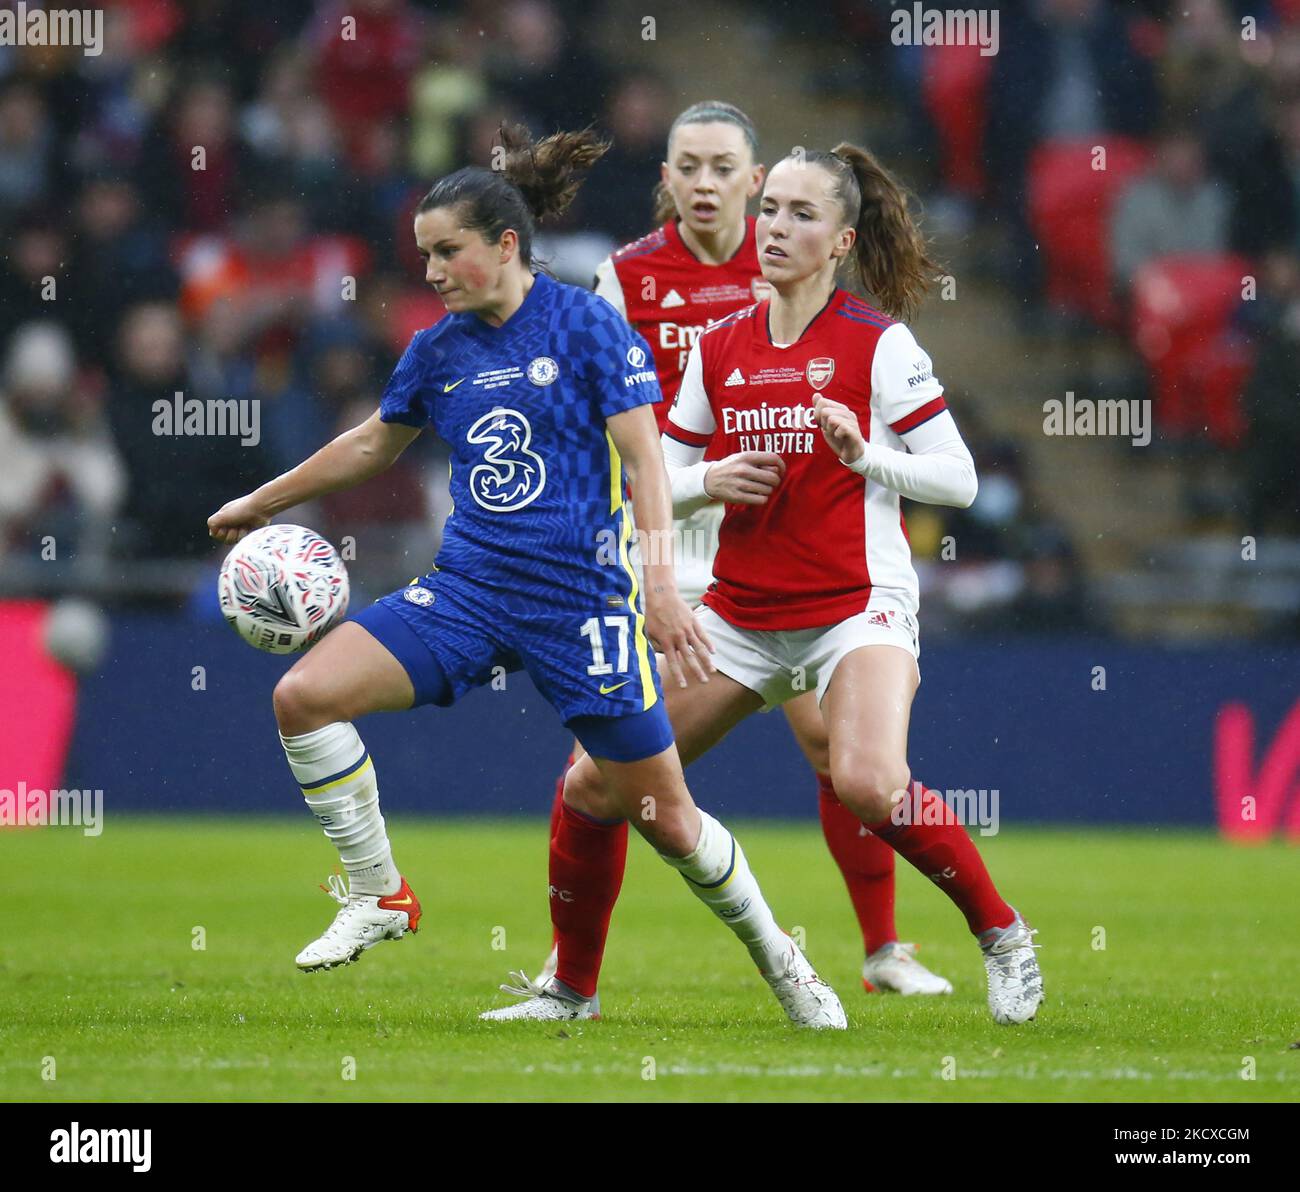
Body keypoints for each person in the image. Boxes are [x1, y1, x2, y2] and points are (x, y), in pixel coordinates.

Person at [206, 124, 845, 1029]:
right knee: (304, 696)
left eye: (446, 252)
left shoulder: (587, 326)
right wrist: (264, 501)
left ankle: (784, 963)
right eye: (423, 254)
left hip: (583, 604)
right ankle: (379, 892)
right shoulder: (437, 349)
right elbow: (369, 445)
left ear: (504, 245)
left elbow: (646, 465)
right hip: (465, 592)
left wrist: (660, 587)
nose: (430, 272)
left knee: (665, 818)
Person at [493, 140, 1044, 1026]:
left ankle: (1002, 935)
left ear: (840, 242)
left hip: (853, 608)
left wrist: (870, 459)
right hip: (739, 617)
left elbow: (961, 480)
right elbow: (654, 478)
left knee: (867, 781)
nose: (777, 228)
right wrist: (708, 479)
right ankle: (571, 993)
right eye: (773, 210)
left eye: (801, 215)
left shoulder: (879, 345)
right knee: (595, 784)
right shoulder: (722, 348)